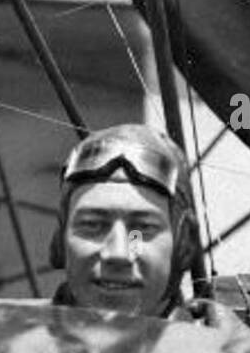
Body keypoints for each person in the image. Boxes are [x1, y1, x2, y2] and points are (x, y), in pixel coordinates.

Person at [48, 123, 231, 326]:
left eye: (141, 229)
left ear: (184, 245)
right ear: (60, 240)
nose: (118, 254)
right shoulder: (13, 345)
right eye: (92, 225)